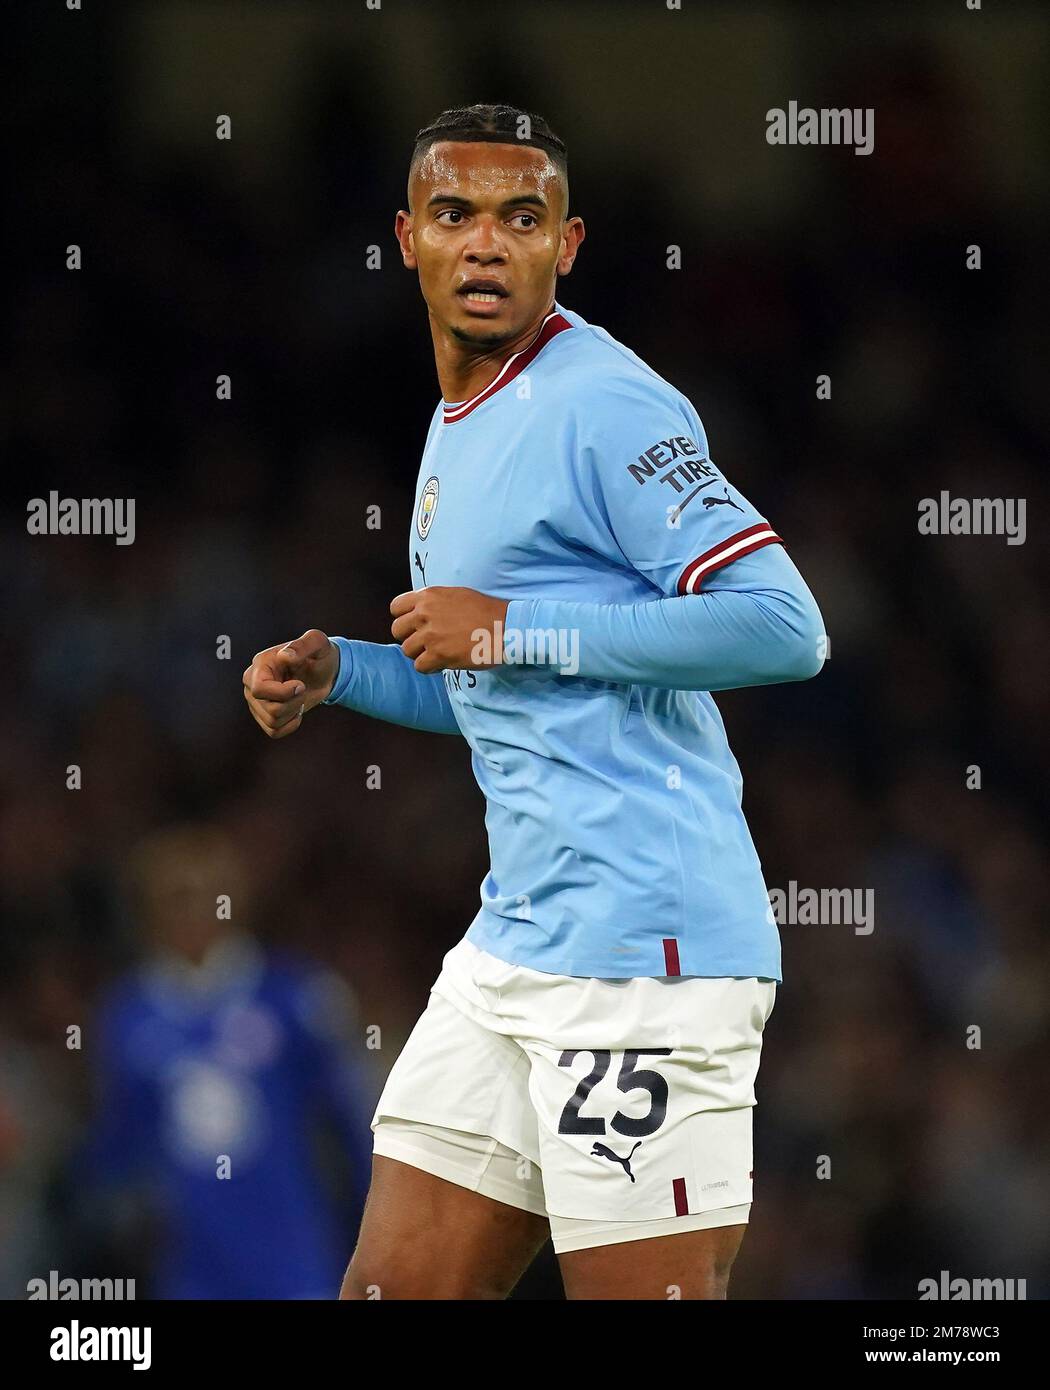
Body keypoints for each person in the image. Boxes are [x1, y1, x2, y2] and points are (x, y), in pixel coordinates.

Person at [242, 103, 827, 1300]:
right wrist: (347, 672)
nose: (487, 244)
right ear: (408, 238)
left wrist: (509, 627)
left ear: (568, 244)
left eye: (523, 218)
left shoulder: (603, 402)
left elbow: (785, 628)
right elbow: (508, 696)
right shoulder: (462, 417)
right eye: (456, 215)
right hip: (517, 945)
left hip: (647, 953)